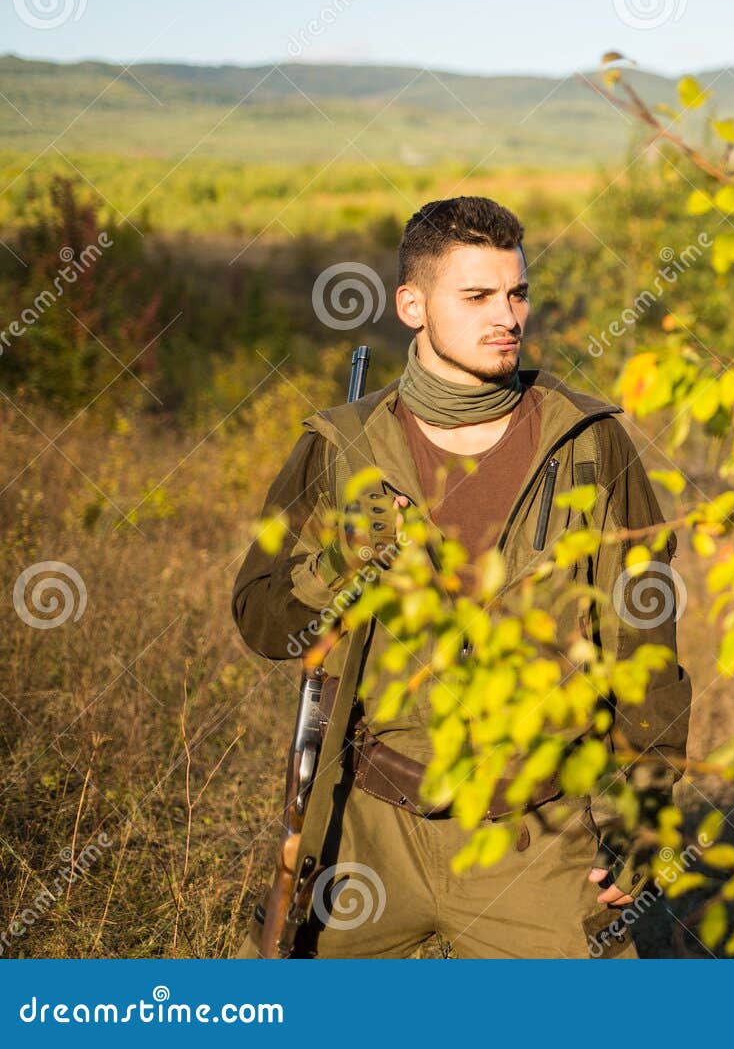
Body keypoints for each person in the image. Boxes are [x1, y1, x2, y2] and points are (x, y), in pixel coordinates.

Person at [229, 195, 691, 958]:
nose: (506, 316)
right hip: (368, 827)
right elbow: (264, 620)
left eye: (516, 294)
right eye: (476, 297)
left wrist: (643, 813)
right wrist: (344, 563)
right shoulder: (342, 445)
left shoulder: (589, 442)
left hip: (540, 837)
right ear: (413, 305)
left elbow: (644, 641)